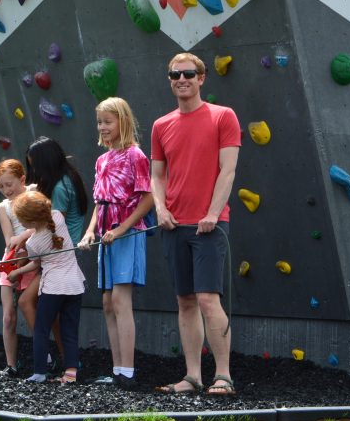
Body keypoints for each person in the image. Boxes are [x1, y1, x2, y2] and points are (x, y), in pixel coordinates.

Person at [150, 53, 241, 396]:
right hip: (174, 226)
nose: (182, 79)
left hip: (210, 227)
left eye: (189, 73)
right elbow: (157, 175)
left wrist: (213, 213)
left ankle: (223, 376)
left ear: (202, 78)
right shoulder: (161, 125)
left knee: (207, 299)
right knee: (185, 301)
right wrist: (160, 209)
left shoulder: (223, 116)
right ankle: (192, 377)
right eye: (175, 74)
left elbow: (228, 170)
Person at [78, 97, 154, 390]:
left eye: (108, 121)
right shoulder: (102, 160)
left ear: (123, 121)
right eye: (99, 122)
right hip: (106, 236)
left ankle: (128, 372)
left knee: (121, 300)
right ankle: (118, 369)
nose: (102, 127)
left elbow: (148, 197)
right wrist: (89, 232)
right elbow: (100, 203)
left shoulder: (136, 155)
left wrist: (122, 229)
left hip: (127, 234)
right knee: (108, 302)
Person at [8, 191, 86, 384]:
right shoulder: (58, 217)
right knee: (69, 330)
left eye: (22, 220)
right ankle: (71, 373)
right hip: (75, 285)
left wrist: (17, 272)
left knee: (41, 329)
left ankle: (40, 372)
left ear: (31, 221)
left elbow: (36, 264)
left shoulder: (33, 243)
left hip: (53, 288)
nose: (21, 223)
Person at [0, 159, 38, 377]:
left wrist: (23, 245)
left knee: (31, 310)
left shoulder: (33, 193)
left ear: (22, 179)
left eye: (9, 184)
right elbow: (9, 239)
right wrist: (14, 254)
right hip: (12, 259)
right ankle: (11, 365)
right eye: (1, 186)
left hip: (33, 258)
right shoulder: (3, 207)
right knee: (8, 316)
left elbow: (41, 226)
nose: (6, 190)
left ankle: (45, 357)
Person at [25, 137, 88, 247]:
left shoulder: (59, 188)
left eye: (35, 166)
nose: (34, 171)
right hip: (71, 241)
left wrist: (23, 237)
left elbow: (55, 224)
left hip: (66, 246)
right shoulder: (67, 176)